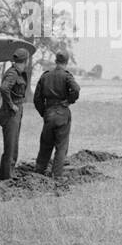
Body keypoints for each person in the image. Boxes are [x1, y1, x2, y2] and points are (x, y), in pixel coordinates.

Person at [33, 51, 81, 179]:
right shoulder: (66, 76)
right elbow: (76, 89)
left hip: (48, 113)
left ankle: (38, 172)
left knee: (45, 144)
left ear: (55, 61)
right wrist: (70, 101)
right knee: (61, 146)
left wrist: (44, 112)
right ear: (67, 62)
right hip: (62, 112)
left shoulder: (45, 76)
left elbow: (37, 99)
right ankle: (56, 175)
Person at [0, 47, 30, 180]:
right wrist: (11, 105)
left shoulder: (19, 73)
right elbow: (4, 88)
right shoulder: (13, 73)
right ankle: (7, 177)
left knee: (13, 144)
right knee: (10, 145)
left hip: (15, 111)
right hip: (10, 113)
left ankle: (6, 174)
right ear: (25, 60)